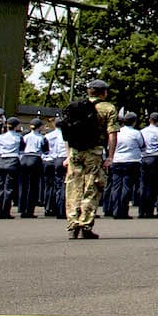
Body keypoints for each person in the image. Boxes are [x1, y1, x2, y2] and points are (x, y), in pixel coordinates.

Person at [62, 79, 118, 238]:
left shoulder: (75, 107)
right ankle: (85, 224)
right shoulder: (108, 108)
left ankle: (72, 224)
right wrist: (111, 156)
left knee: (73, 186)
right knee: (91, 187)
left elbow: (67, 134)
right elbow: (112, 134)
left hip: (75, 151)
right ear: (104, 92)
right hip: (94, 152)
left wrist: (68, 155)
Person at [108, 112, 144, 218]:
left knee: (116, 187)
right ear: (134, 122)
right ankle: (123, 211)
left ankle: (115, 210)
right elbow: (142, 145)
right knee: (126, 187)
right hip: (131, 160)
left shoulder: (117, 132)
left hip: (117, 160)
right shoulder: (136, 133)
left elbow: (110, 145)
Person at [138, 112, 158, 219]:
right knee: (153, 185)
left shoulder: (142, 131)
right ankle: (149, 210)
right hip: (155, 157)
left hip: (144, 157)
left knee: (143, 184)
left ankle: (141, 210)